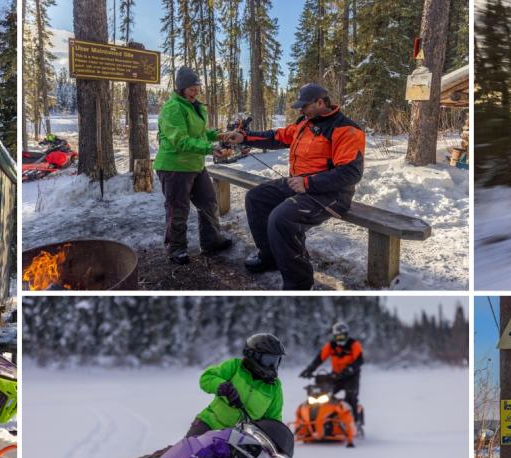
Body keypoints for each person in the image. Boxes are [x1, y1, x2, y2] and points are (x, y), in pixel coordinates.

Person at [223, 83, 366, 290]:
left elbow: (351, 172)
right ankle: (270, 256)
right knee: (256, 197)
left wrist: (308, 183)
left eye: (304, 106)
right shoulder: (305, 124)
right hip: (300, 184)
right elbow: (277, 136)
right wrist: (245, 137)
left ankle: (298, 283)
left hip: (331, 194)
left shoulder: (346, 129)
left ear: (320, 102)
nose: (300, 111)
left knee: (281, 218)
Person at [115, 333, 286, 458]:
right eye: (268, 360)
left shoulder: (274, 388)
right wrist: (222, 386)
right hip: (210, 424)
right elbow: (207, 377)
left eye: (276, 361)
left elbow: (273, 420)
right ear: (253, 355)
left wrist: (272, 446)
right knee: (181, 456)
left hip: (238, 440)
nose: (272, 366)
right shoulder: (235, 367)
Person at [154, 66, 233, 265]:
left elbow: (199, 134)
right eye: (191, 88)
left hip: (195, 165)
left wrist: (219, 135)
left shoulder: (194, 106)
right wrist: (209, 148)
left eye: (197, 86)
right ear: (181, 88)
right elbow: (180, 141)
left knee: (208, 202)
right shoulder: (173, 108)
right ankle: (176, 249)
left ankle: (212, 241)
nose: (195, 90)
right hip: (174, 167)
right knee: (178, 209)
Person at [300, 322, 364, 427]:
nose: (340, 339)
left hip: (351, 376)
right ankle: (323, 419)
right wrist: (310, 369)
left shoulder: (354, 344)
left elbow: (360, 360)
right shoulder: (331, 345)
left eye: (342, 336)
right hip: (336, 376)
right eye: (338, 336)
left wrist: (350, 368)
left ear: (347, 335)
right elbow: (320, 357)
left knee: (351, 396)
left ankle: (354, 422)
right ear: (334, 336)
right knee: (323, 394)